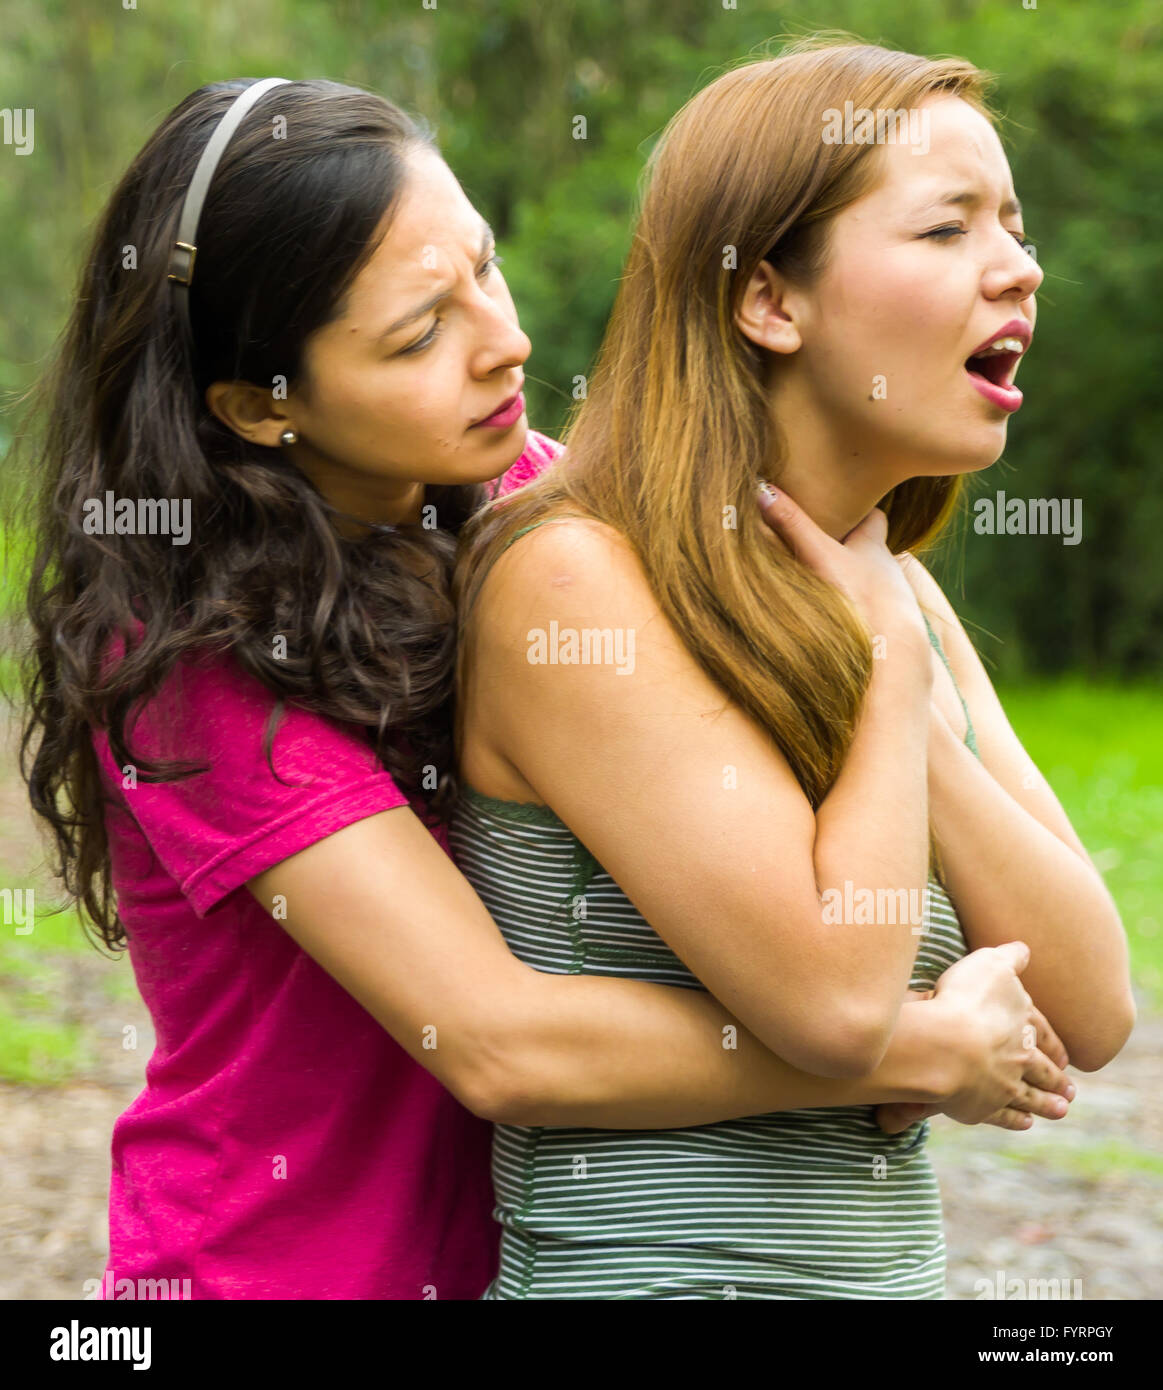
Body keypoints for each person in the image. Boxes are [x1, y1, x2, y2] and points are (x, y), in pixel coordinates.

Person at [16, 74, 1073, 1302]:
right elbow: (492, 1039)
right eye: (418, 334)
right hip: (288, 1268)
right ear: (261, 406)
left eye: (484, 268)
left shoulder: (535, 503)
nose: (503, 340)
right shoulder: (189, 659)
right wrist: (905, 1048)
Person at [453, 39, 1135, 1299]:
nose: (1018, 266)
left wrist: (893, 676)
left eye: (1014, 225)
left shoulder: (888, 595)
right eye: (945, 230)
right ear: (767, 299)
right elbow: (832, 1003)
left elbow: (1091, 1001)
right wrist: (880, 669)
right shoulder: (576, 582)